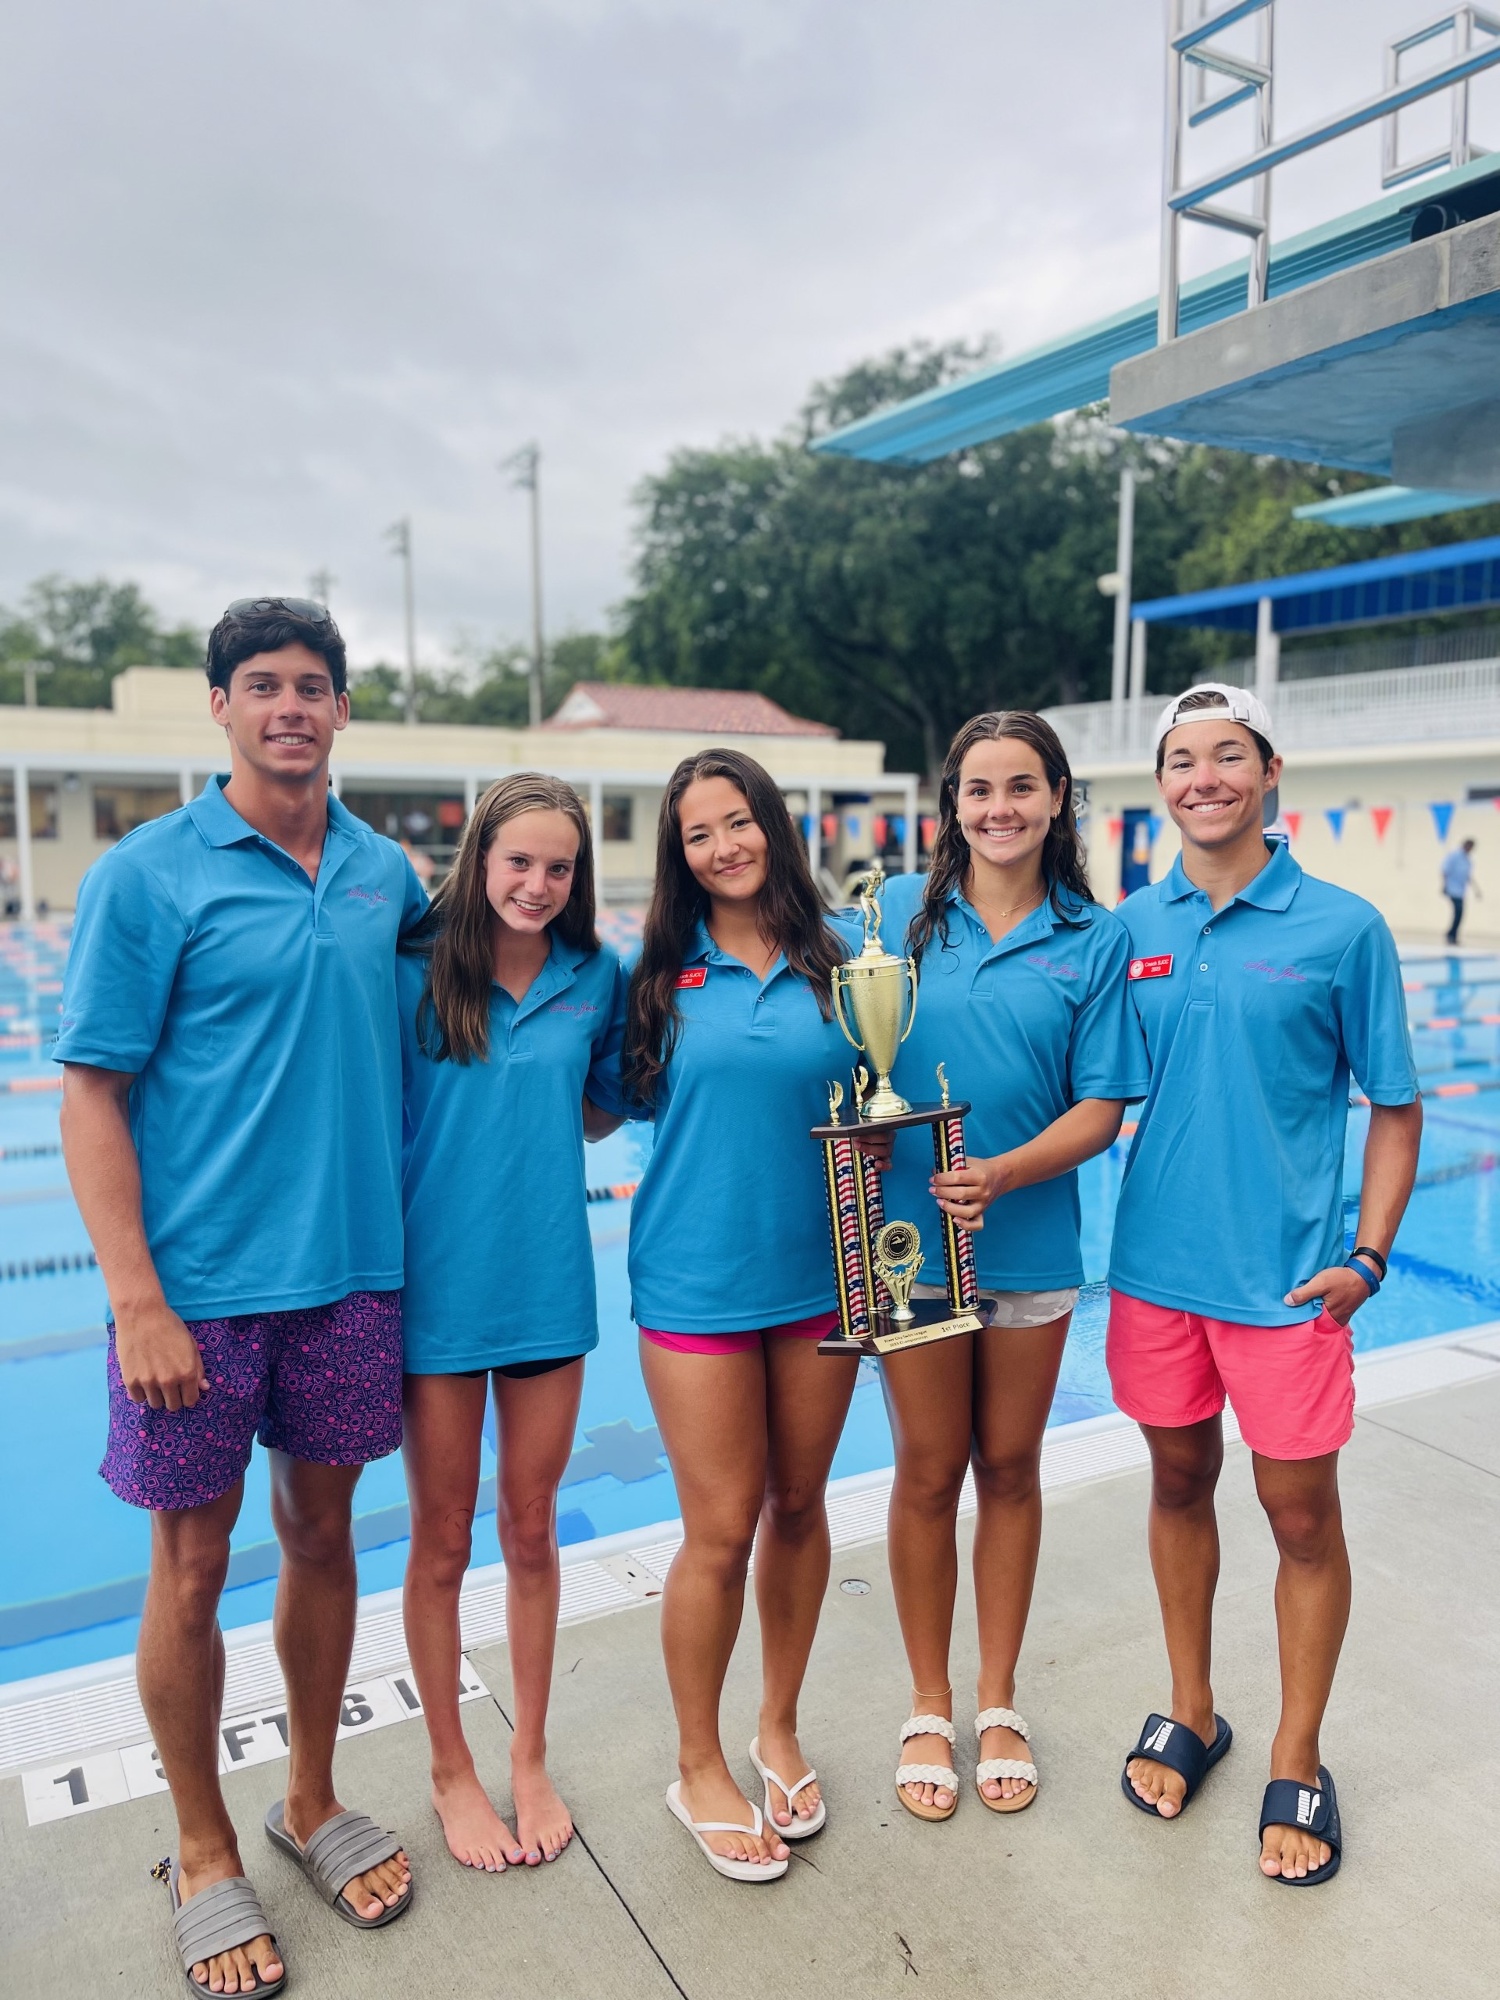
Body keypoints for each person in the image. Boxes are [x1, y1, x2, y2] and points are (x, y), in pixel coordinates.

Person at [56, 598, 424, 1997]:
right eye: (261, 684)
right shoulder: (148, 874)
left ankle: (311, 1798)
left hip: (351, 1275)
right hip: (198, 1293)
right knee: (193, 1565)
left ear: (341, 710)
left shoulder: (385, 873)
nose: (289, 707)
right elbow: (91, 1094)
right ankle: (204, 1846)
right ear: (219, 705)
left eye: (312, 686)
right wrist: (135, 1298)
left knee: (324, 1538)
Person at [1109, 683, 1421, 1886]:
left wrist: (1369, 1255)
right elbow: (1085, 1083)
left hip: (1288, 1288)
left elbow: (1396, 1104)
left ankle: (1299, 1751)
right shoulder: (1133, 923)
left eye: (1228, 754)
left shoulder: (1343, 927)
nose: (1205, 777)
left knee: (1301, 1518)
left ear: (1270, 769)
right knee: (1177, 1479)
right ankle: (1193, 1706)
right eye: (1182, 759)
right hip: (1155, 1277)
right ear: (1161, 784)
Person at [865, 712, 1147, 1822]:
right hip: (908, 1248)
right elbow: (838, 1040)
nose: (999, 809)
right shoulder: (897, 913)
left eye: (1020, 786)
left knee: (1011, 1468)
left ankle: (997, 1698)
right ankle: (927, 1702)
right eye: (978, 789)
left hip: (1028, 1244)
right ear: (952, 803)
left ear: (1057, 796)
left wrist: (1006, 1171)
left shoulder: (1094, 936)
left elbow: (1103, 1105)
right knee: (928, 1471)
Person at [623, 749, 860, 1883]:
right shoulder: (656, 973)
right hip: (698, 1282)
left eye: (738, 820)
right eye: (699, 833)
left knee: (799, 1504)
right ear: (679, 854)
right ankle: (697, 1763)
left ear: (772, 823)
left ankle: (777, 1726)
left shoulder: (846, 957)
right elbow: (591, 1099)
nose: (724, 846)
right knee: (720, 1530)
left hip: (822, 1278)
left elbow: (883, 1093)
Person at [398, 774, 626, 1874]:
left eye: (559, 867)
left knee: (531, 1527)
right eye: (519, 861)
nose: (538, 884)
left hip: (546, 1285)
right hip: (436, 1293)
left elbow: (601, 1102)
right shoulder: (413, 967)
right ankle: (451, 1768)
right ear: (480, 856)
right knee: (443, 1537)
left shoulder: (594, 974)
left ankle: (528, 1754)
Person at [1442, 838, 1478, 945]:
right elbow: (1445, 870)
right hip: (1452, 889)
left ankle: (1451, 934)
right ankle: (1451, 935)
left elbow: (1468, 876)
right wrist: (1445, 885)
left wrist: (1476, 889)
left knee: (1459, 913)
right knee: (1458, 911)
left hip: (1461, 891)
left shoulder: (1468, 860)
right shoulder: (1454, 856)